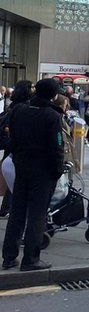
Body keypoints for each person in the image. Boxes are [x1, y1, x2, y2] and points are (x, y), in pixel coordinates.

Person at [2, 79, 65, 271]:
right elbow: (57, 146)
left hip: (21, 166)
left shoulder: (19, 111)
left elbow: (12, 140)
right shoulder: (52, 116)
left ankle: (9, 256)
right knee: (37, 215)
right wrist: (57, 170)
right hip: (43, 171)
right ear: (54, 95)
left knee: (17, 212)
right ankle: (31, 259)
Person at [0, 81, 31, 219]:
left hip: (12, 147)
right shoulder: (22, 107)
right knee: (15, 179)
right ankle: (9, 208)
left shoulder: (14, 105)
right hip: (16, 148)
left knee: (13, 180)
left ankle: (7, 208)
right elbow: (9, 127)